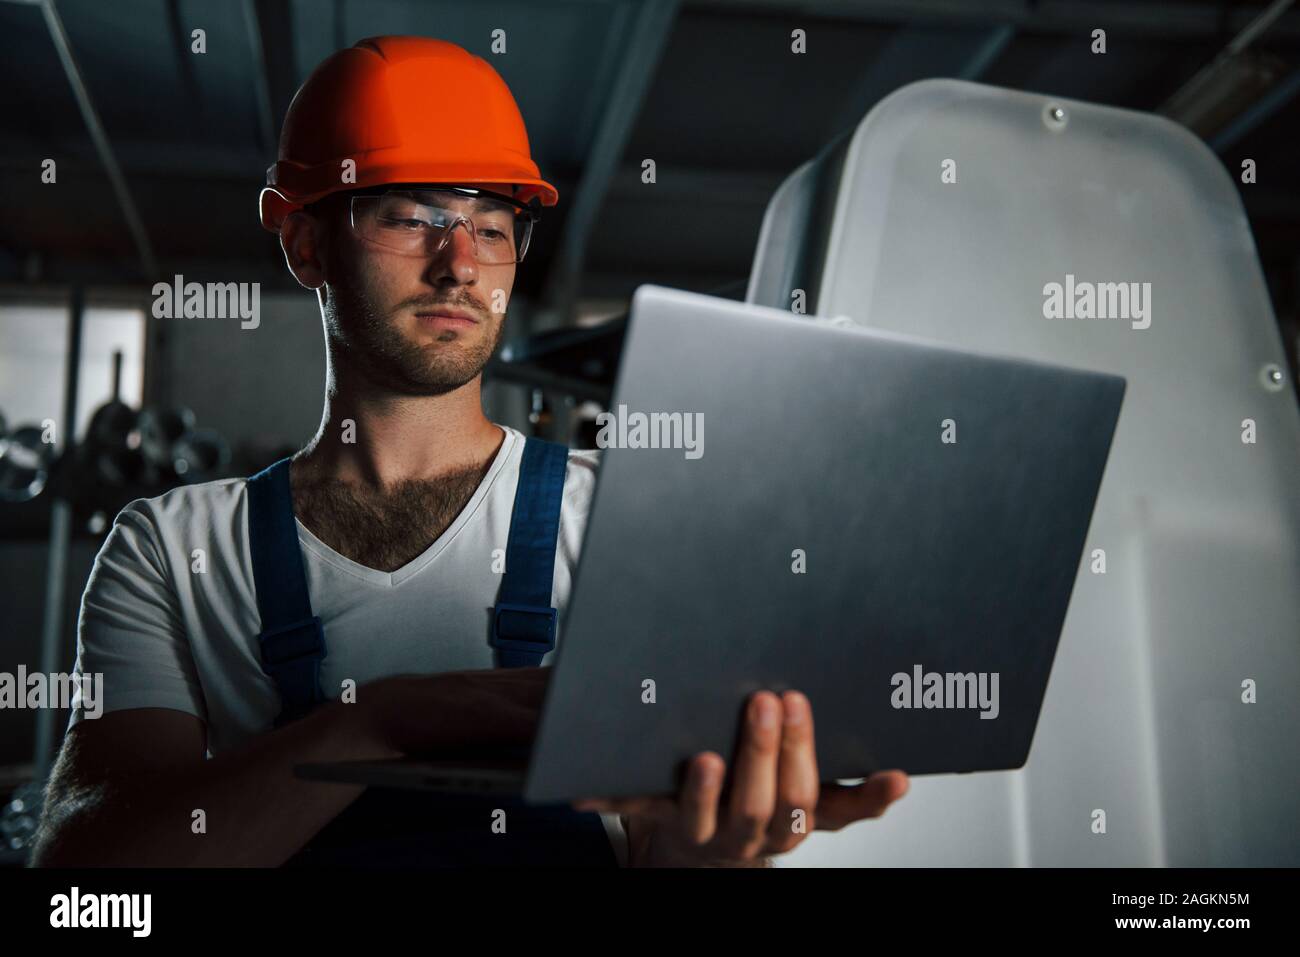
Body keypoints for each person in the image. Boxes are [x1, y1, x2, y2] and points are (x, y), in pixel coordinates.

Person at [32, 36, 908, 868]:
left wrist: (716, 846)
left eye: (492, 227)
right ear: (305, 242)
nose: (460, 265)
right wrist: (376, 724)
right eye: (411, 217)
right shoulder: (172, 550)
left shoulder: (627, 524)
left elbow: (660, 851)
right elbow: (86, 891)